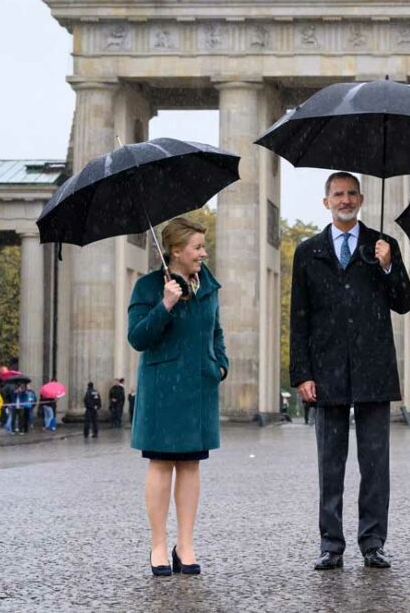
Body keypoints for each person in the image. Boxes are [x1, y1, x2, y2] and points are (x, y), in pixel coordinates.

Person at [290, 173, 410, 572]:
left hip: (373, 368)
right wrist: (302, 373)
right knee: (331, 462)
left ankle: (373, 542)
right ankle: (331, 544)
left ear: (361, 198)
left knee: (375, 463)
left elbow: (404, 303)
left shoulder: (382, 246)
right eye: (337, 194)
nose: (344, 200)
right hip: (326, 371)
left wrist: (388, 266)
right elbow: (300, 318)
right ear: (326, 202)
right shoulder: (308, 251)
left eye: (350, 194)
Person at [129, 215, 229, 577]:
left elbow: (216, 331)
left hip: (199, 386)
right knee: (160, 465)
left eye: (203, 246)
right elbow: (138, 338)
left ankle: (184, 544)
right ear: (175, 251)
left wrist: (221, 364)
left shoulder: (209, 286)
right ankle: (158, 545)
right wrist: (165, 305)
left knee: (190, 465)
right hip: (162, 387)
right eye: (198, 247)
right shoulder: (147, 287)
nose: (204, 253)